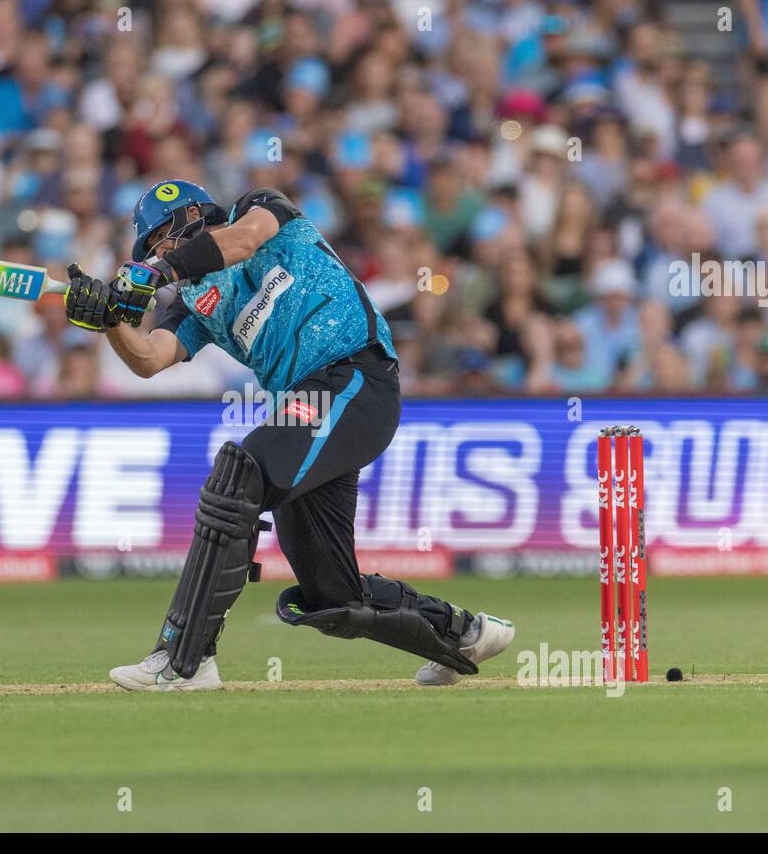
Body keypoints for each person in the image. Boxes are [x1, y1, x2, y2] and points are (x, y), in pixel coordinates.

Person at [62, 179, 516, 690]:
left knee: (239, 474)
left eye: (163, 238)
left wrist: (161, 268)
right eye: (152, 250)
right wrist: (107, 320)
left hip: (353, 378)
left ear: (191, 216)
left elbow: (244, 240)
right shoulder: (196, 303)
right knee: (332, 598)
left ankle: (183, 659)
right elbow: (148, 359)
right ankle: (463, 632)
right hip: (312, 404)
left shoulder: (259, 207)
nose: (161, 254)